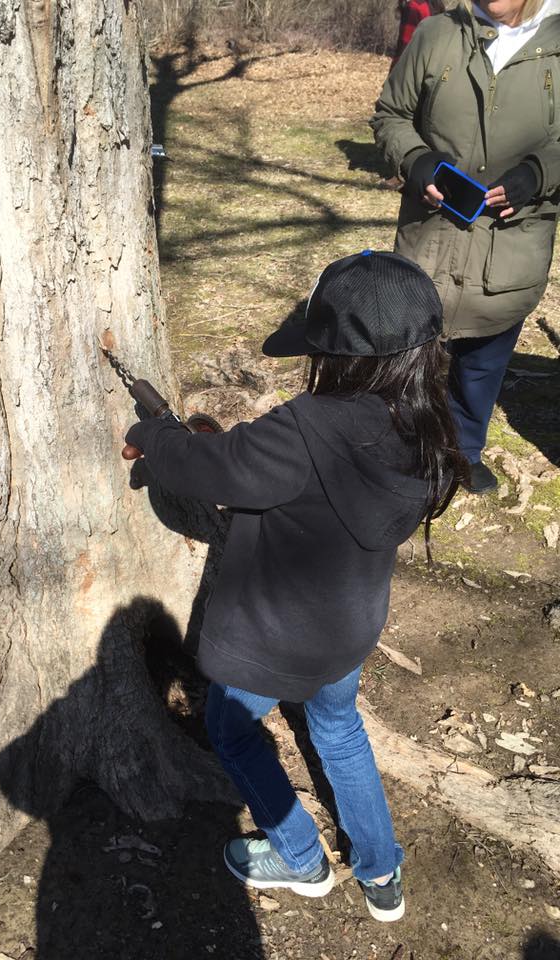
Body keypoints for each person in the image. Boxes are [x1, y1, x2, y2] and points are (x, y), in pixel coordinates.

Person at [122, 251, 467, 923]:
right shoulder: (426, 424)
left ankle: (301, 859)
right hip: (350, 630)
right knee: (339, 728)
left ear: (339, 356)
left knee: (230, 728)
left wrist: (153, 436)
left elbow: (209, 469)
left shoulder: (306, 429)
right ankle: (382, 871)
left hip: (270, 641)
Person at [372, 0, 560, 494]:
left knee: (483, 361)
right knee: (408, 357)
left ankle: (463, 449)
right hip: (429, 242)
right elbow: (391, 115)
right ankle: (404, 445)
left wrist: (539, 173)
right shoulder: (437, 33)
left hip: (509, 252)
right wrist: (415, 160)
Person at [391, 1, 446, 71]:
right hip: (431, 67)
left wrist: (394, 72)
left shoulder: (414, 7)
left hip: (411, 69)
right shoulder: (435, 6)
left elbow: (404, 49)